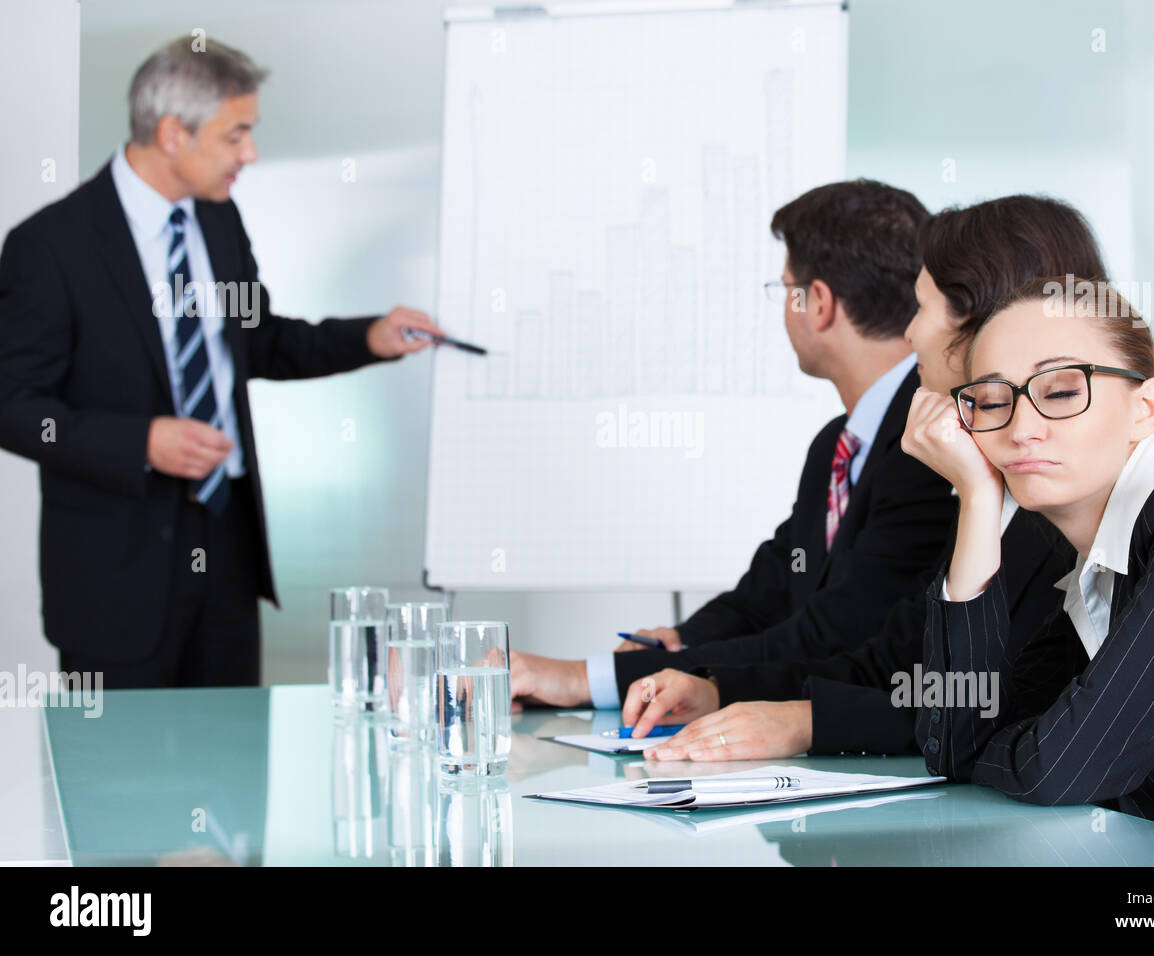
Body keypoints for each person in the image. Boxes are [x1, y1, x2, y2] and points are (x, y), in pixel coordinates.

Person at [0, 36, 445, 688]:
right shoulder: (51, 245)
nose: (251, 154)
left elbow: (257, 342)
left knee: (232, 772)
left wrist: (368, 336)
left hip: (226, 549)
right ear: (174, 133)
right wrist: (142, 441)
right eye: (236, 135)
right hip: (113, 574)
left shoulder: (218, 220)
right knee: (125, 780)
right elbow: (12, 405)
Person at [625, 195, 1103, 760]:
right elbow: (899, 661)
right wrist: (722, 689)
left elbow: (1010, 716)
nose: (910, 333)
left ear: (981, 322)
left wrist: (805, 722)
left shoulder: (1061, 506)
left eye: (921, 307)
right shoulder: (995, 491)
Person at [509, 180, 958, 708]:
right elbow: (770, 588)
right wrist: (685, 641)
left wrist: (587, 679)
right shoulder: (836, 446)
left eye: (784, 288)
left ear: (817, 304)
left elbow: (836, 632)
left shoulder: (929, 442)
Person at [904, 275, 1154, 858]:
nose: (1020, 427)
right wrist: (980, 499)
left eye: (1062, 392)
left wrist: (1018, 747)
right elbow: (954, 742)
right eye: (991, 401)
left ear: (1145, 408)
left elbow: (1062, 770)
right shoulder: (1094, 573)